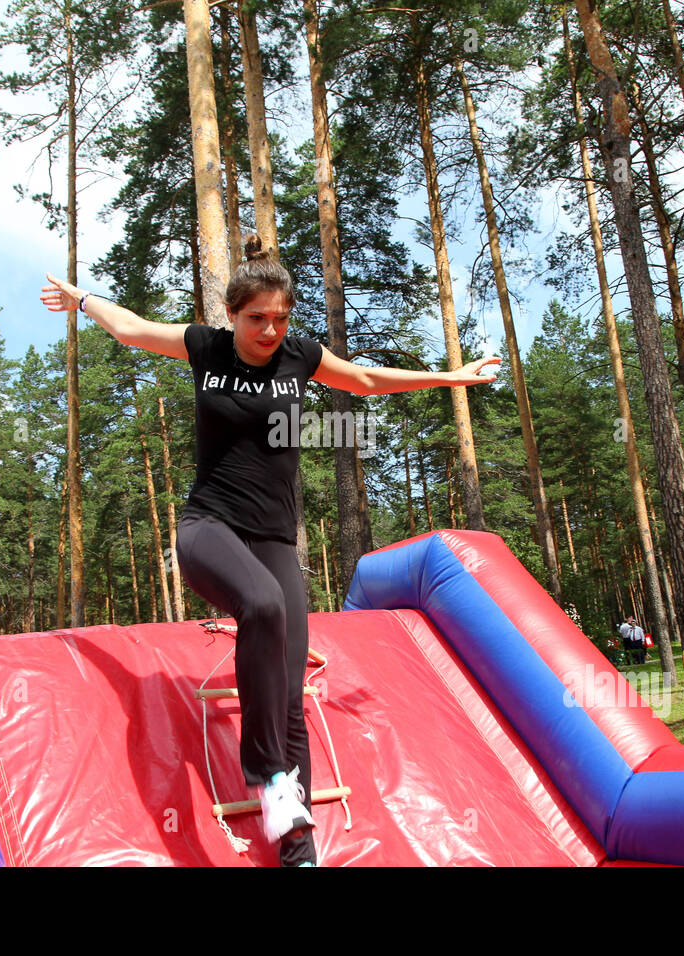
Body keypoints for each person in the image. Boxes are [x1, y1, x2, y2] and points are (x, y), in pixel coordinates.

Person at [42, 235, 498, 867]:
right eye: (257, 318)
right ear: (231, 315)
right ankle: (271, 779)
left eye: (281, 319)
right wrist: (84, 299)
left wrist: (447, 376)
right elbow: (134, 330)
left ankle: (297, 847)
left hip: (275, 538)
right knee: (259, 605)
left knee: (286, 697)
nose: (270, 330)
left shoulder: (299, 356)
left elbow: (364, 379)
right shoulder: (205, 347)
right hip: (210, 529)